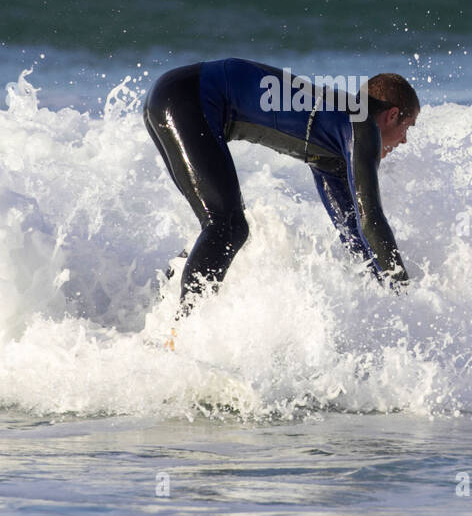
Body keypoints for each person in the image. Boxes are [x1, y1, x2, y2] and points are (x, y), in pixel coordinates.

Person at [143, 59, 418, 344]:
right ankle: (182, 333)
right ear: (392, 114)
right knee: (226, 226)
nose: (405, 141)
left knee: (220, 224)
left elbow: (356, 236)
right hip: (188, 95)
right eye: (408, 127)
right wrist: (408, 301)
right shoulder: (361, 123)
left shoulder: (332, 143)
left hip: (172, 95)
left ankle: (160, 325)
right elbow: (371, 220)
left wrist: (384, 301)